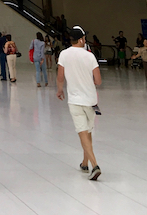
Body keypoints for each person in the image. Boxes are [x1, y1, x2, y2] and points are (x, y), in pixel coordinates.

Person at [57, 26, 102, 181]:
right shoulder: (90, 56)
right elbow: (98, 80)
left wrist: (60, 90)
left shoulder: (63, 54)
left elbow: (60, 76)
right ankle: (85, 163)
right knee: (88, 132)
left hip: (75, 100)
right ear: (82, 39)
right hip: (90, 100)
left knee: (82, 132)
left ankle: (94, 165)